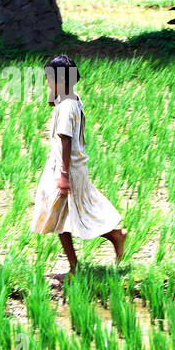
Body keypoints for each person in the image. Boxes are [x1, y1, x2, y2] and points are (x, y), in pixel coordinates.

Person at [30, 54, 127, 274]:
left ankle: (112, 237)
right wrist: (55, 90)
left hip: (66, 167)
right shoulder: (72, 98)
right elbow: (50, 102)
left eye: (49, 79)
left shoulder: (66, 107)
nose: (46, 83)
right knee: (62, 217)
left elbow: (65, 139)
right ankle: (76, 263)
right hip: (69, 166)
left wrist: (63, 175)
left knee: (66, 216)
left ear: (60, 80)